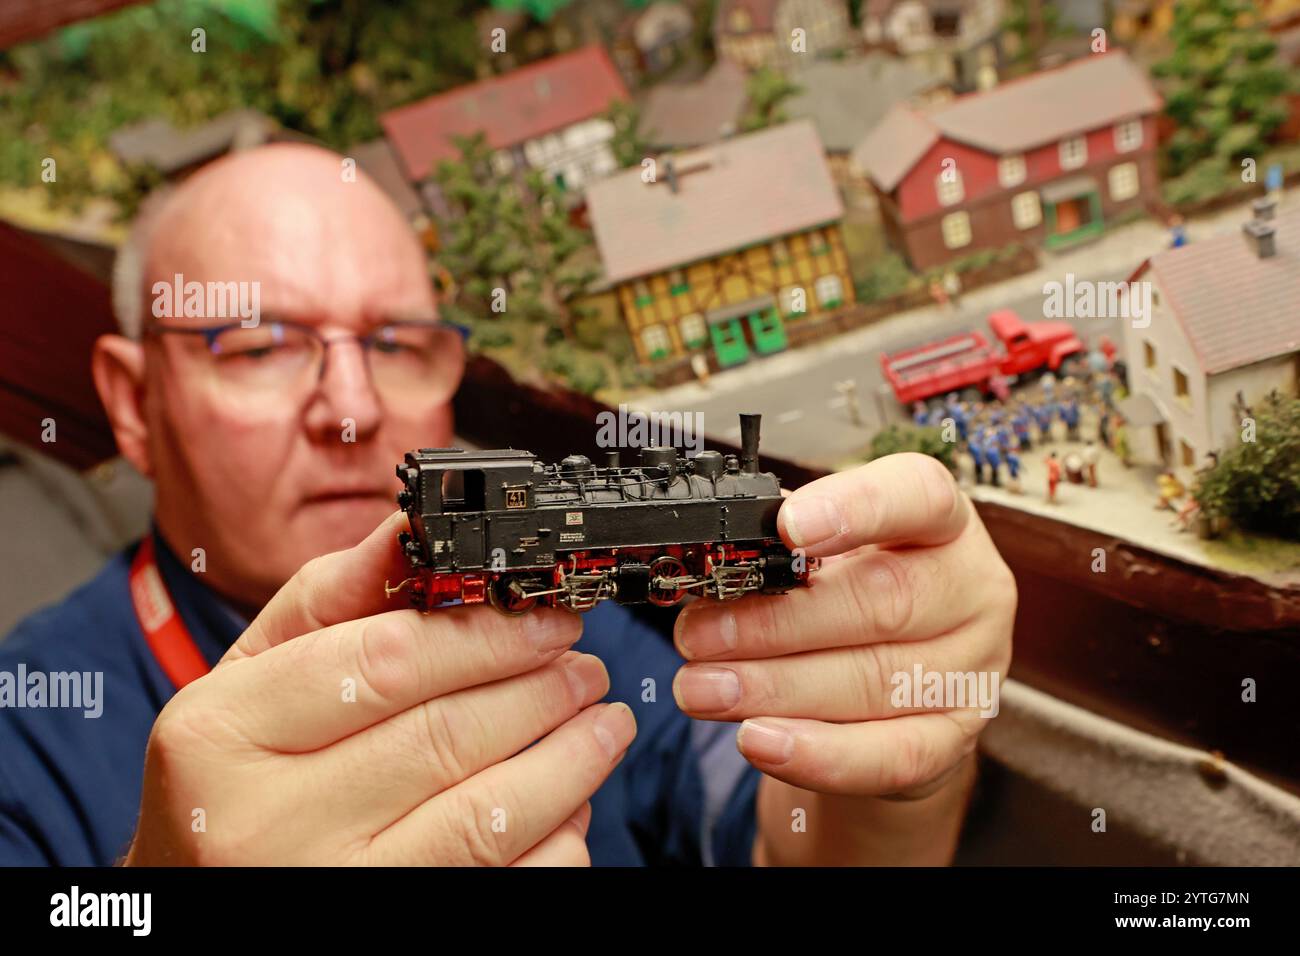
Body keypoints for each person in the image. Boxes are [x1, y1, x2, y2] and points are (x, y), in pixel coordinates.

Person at [0, 145, 1015, 867]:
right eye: (261, 345)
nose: (352, 409)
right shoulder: (25, 733)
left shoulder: (552, 624)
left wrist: (900, 756)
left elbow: (783, 842)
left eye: (396, 342)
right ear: (135, 403)